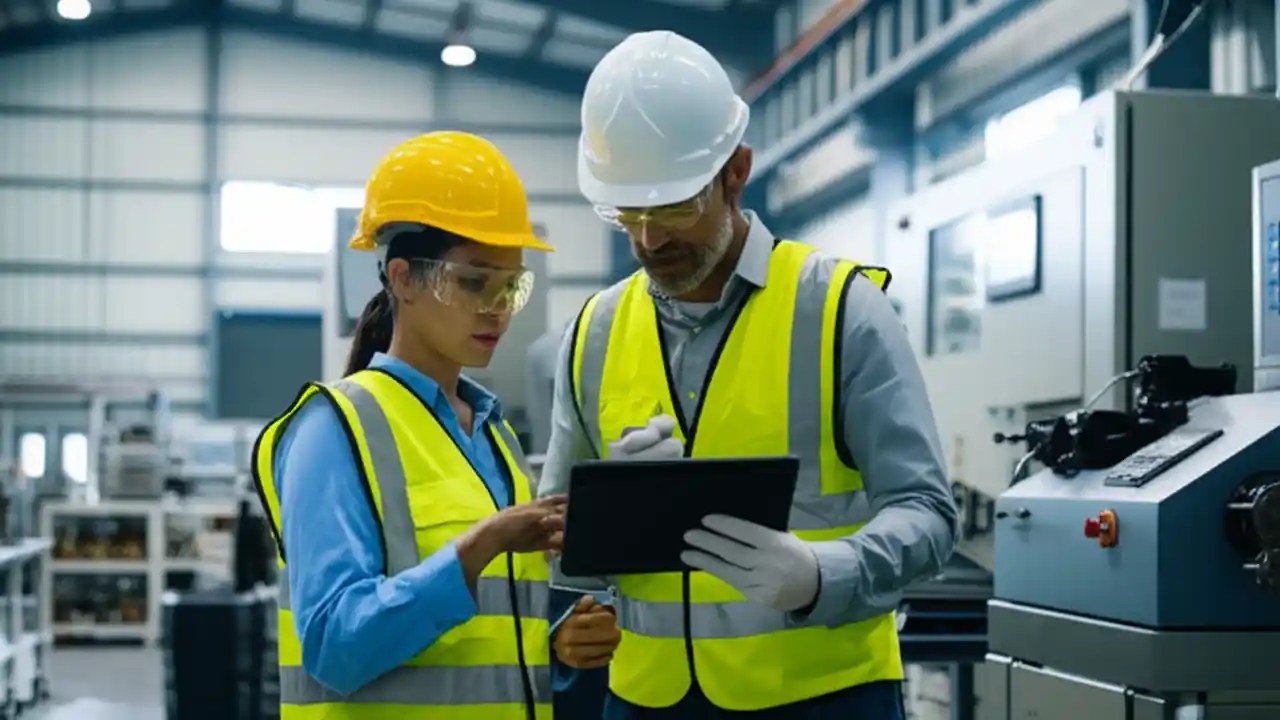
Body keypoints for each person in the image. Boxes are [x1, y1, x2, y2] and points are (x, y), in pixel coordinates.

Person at [539, 31, 960, 719]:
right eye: (627, 214)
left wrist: (824, 574)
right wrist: (610, 514)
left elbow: (929, 515)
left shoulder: (840, 310)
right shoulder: (594, 332)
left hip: (824, 698)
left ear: (736, 172)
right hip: (646, 702)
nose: (648, 239)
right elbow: (559, 546)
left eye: (673, 207)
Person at [250, 131, 619, 720]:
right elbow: (333, 647)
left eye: (510, 285)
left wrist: (553, 639)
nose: (495, 307)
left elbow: (479, 639)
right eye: (473, 281)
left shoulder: (493, 436)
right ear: (402, 279)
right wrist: (479, 546)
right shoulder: (333, 431)